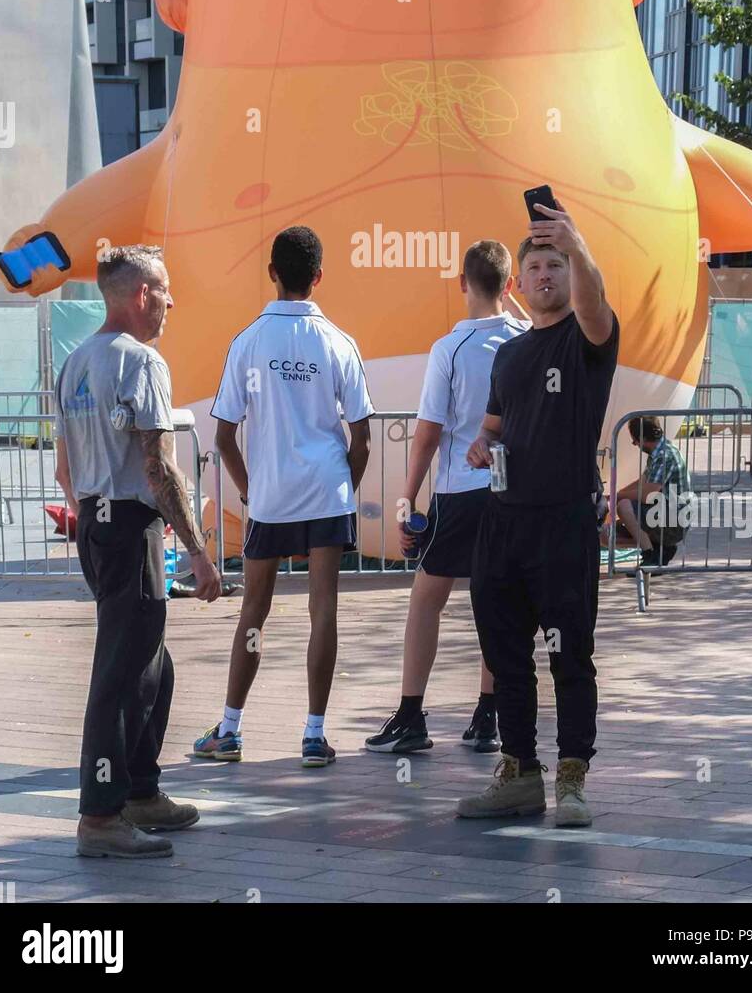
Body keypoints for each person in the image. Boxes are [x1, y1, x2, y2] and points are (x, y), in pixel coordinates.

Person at [54, 245, 221, 859]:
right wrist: (199, 553)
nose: (173, 303)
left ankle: (140, 790)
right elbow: (159, 466)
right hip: (129, 526)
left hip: (98, 528)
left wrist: (95, 515)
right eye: (167, 291)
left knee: (153, 665)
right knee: (120, 673)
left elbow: (64, 468)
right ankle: (100, 816)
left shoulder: (76, 364)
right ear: (143, 295)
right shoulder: (142, 362)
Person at [458, 199, 618, 825]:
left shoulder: (589, 336)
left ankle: (573, 779)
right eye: (537, 267)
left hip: (563, 519)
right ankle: (520, 772)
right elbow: (494, 428)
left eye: (557, 263)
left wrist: (577, 244)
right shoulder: (509, 354)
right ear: (518, 284)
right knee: (505, 654)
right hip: (503, 522)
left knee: (569, 653)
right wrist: (482, 443)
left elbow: (596, 305)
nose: (547, 274)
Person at [195, 226, 372, 767]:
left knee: (254, 611)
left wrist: (251, 492)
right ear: (318, 277)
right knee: (324, 613)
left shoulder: (247, 341)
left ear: (272, 272)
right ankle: (314, 736)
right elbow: (361, 437)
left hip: (270, 496)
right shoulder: (340, 343)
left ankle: (229, 730)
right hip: (327, 491)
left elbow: (223, 435)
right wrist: (343, 489)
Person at [364, 240, 529, 756]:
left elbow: (428, 431)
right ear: (509, 285)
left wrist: (408, 499)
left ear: (462, 284)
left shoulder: (449, 349)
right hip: (511, 491)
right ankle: (489, 715)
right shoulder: (527, 340)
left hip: (461, 491)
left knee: (426, 601)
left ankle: (411, 715)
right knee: (497, 601)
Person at [616, 416, 691, 566]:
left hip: (674, 520)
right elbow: (642, 482)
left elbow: (647, 495)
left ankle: (650, 555)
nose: (636, 445)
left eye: (635, 441)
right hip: (665, 514)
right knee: (615, 530)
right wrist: (615, 494)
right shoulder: (658, 453)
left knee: (624, 507)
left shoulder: (664, 456)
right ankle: (661, 548)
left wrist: (619, 497)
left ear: (642, 438)